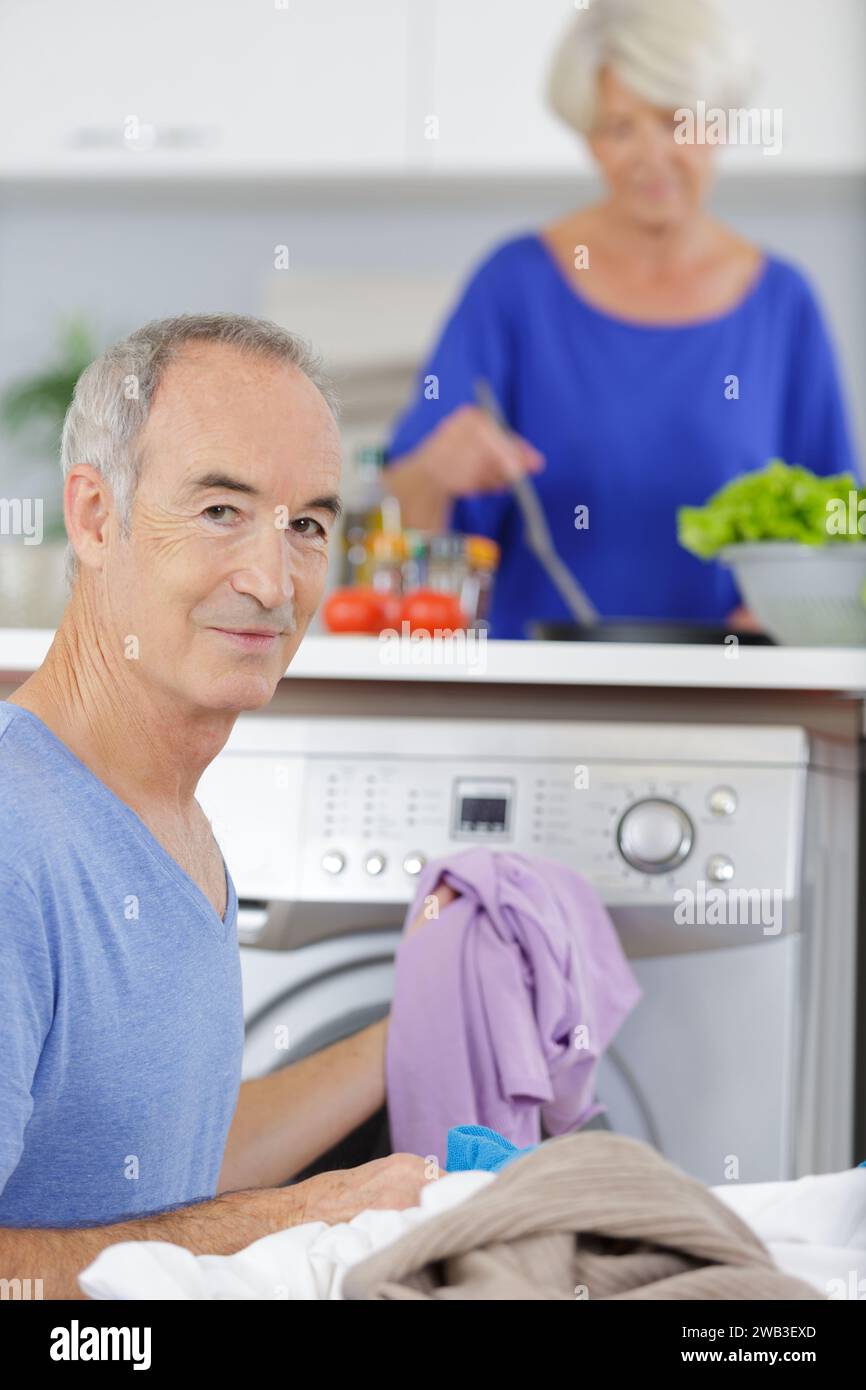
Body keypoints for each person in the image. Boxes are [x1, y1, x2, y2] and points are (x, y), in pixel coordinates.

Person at [0, 313, 446, 1299]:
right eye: (218, 511)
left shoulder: (178, 828)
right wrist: (287, 1220)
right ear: (94, 516)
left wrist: (410, 1029)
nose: (270, 580)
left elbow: (157, 1165)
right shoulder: (14, 835)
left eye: (307, 525)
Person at [383, 0, 858, 639]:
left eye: (675, 122)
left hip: (737, 701)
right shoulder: (513, 286)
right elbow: (408, 516)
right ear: (587, 137)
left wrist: (800, 607)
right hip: (538, 696)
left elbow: (841, 528)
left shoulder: (783, 304)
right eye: (619, 128)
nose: (650, 155)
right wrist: (432, 470)